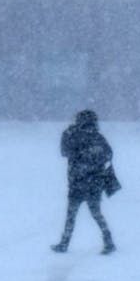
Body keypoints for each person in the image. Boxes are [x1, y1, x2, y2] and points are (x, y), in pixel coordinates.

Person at [53, 109, 117, 255]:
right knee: (96, 213)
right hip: (94, 182)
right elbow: (108, 154)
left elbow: (65, 152)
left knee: (71, 215)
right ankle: (108, 241)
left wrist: (79, 154)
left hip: (77, 181)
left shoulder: (72, 135)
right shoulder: (98, 137)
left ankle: (64, 243)